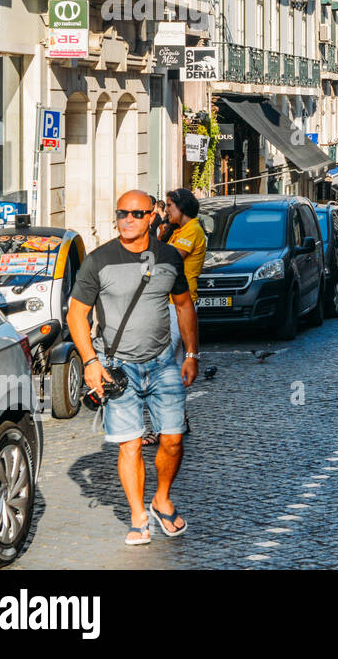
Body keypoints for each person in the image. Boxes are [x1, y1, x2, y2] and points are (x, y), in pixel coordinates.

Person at [66, 190, 199, 545]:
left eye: (136, 214)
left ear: (152, 216)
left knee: (172, 439)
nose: (128, 219)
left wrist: (191, 353)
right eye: (122, 213)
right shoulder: (98, 260)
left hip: (163, 364)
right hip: (115, 368)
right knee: (130, 445)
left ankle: (162, 498)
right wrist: (91, 363)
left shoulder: (169, 257)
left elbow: (184, 305)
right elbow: (76, 314)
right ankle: (138, 515)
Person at [142, 189, 206, 446]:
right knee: (173, 367)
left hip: (176, 304)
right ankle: (177, 421)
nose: (166, 210)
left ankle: (163, 427)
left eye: (169, 206)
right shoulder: (178, 231)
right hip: (169, 303)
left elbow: (166, 260)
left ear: (182, 207)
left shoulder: (192, 231)